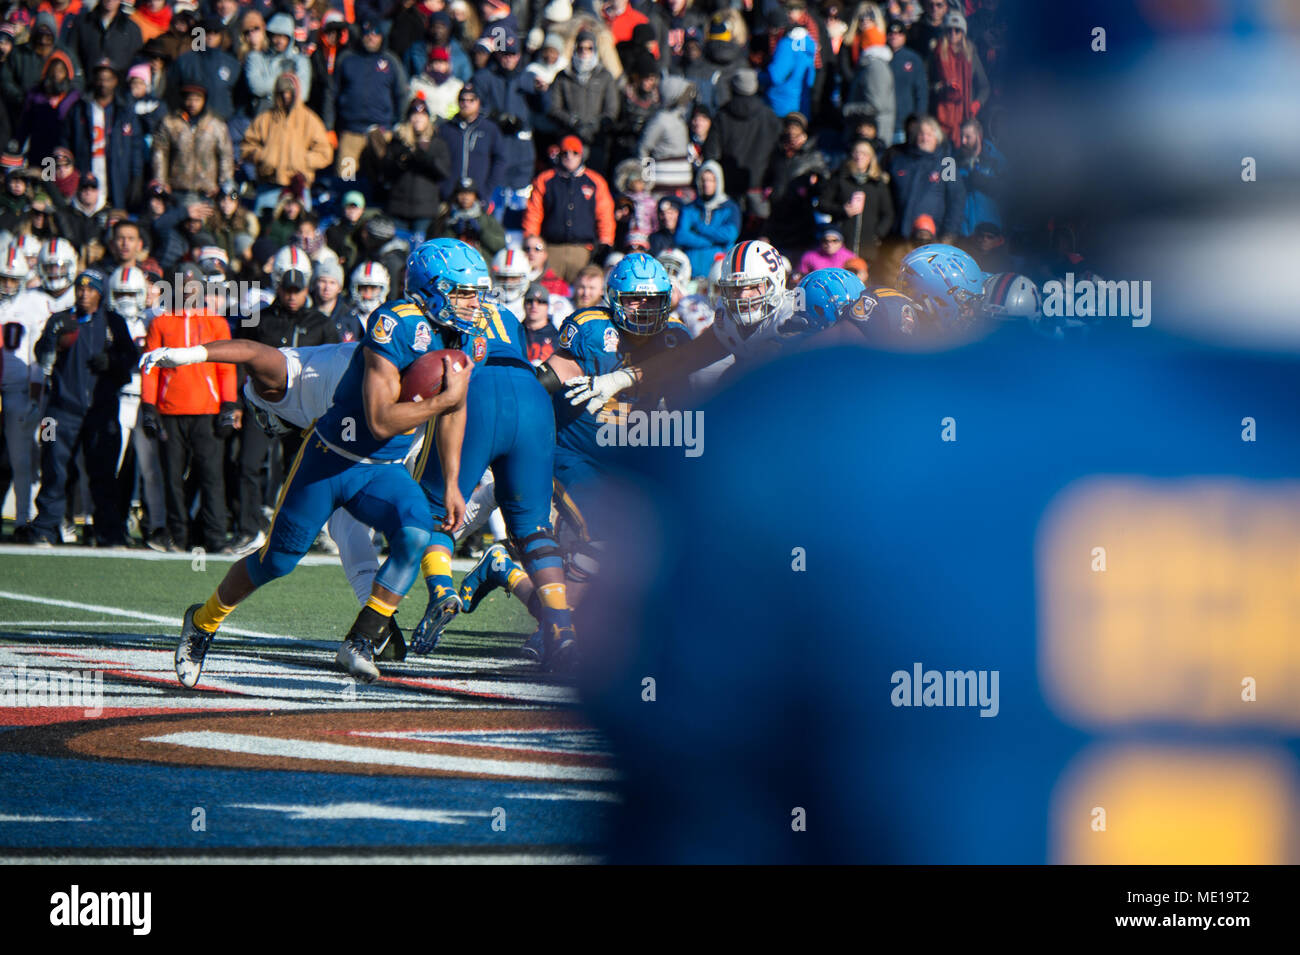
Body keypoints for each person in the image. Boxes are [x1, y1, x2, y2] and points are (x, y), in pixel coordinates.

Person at [165, 239, 476, 686]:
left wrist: (451, 482)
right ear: (431, 289)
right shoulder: (391, 325)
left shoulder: (463, 338)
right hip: (330, 462)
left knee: (414, 532)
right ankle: (203, 621)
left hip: (381, 470)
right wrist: (193, 354)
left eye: (473, 293)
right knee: (277, 562)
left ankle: (363, 639)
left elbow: (454, 410)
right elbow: (382, 419)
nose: (472, 303)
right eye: (463, 293)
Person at [404, 240, 577, 666]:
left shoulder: (431, 314)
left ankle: (443, 590)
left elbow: (430, 375)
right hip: (533, 397)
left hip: (476, 393)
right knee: (535, 528)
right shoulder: (503, 313)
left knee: (432, 511)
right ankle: (562, 627)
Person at [232, 245, 339, 553]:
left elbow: (333, 370)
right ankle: (249, 529)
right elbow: (240, 362)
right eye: (287, 288)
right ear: (277, 286)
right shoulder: (256, 319)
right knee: (248, 464)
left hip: (303, 409)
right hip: (261, 403)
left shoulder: (322, 323)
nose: (292, 295)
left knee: (304, 470)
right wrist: (238, 404)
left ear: (307, 288)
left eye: (298, 289)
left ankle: (300, 531)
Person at [21, 271, 137, 546]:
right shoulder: (62, 319)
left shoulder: (113, 322)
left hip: (101, 410)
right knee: (54, 470)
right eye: (80, 288)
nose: (84, 293)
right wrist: (51, 337)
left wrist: (112, 362)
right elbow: (42, 357)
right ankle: (47, 527)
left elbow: (130, 357)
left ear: (100, 293)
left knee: (103, 473)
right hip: (59, 410)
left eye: (91, 289)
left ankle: (107, 531)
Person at [139, 263, 236, 553]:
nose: (188, 290)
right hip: (170, 412)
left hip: (207, 411)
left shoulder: (216, 322)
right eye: (182, 285)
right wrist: (148, 406)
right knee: (172, 478)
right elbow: (151, 369)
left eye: (193, 285)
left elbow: (226, 367)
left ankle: (216, 537)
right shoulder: (160, 322)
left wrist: (229, 405)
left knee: (211, 477)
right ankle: (178, 537)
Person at [0, 242, 48, 532]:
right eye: (2, 278)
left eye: (12, 279)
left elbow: (37, 355)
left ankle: (22, 518)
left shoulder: (33, 303)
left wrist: (35, 394)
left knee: (20, 458)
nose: (6, 285)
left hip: (18, 389)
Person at [522, 136, 615, 285]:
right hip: (552, 249)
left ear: (581, 155)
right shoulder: (546, 179)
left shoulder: (595, 181)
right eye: (565, 153)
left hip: (583, 250)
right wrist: (531, 240)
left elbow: (605, 215)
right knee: (548, 290)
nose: (569, 157)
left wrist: (605, 242)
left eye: (574, 153)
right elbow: (533, 213)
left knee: (582, 293)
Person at [240, 72, 333, 216]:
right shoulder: (264, 119)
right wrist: (263, 156)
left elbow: (325, 153)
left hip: (299, 186)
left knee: (301, 229)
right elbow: (246, 147)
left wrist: (302, 160)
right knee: (264, 230)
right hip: (269, 184)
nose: (286, 96)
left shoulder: (310, 120)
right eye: (282, 92)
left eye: (290, 92)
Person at [152, 83, 234, 203]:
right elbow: (160, 152)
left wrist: (223, 185)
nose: (192, 104)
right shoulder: (170, 123)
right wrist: (161, 182)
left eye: (197, 100)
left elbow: (226, 155)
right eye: (189, 99)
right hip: (178, 188)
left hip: (207, 190)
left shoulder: (216, 125)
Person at [887, 115, 964, 241]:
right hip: (900, 236)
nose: (925, 138)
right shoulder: (899, 162)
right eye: (921, 134)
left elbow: (956, 199)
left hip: (932, 236)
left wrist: (950, 233)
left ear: (937, 138)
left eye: (929, 134)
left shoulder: (946, 163)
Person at [820, 138, 895, 260]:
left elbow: (888, 214)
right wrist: (842, 210)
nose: (859, 157)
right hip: (841, 246)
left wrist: (877, 234)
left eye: (864, 153)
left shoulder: (878, 184)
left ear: (871, 158)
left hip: (867, 247)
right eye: (856, 153)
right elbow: (823, 204)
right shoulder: (840, 179)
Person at [928, 10, 990, 144]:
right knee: (946, 161)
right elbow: (927, 84)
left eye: (957, 30)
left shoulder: (970, 53)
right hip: (942, 118)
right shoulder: (936, 53)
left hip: (966, 118)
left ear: (963, 32)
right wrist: (942, 87)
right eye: (949, 30)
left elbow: (984, 86)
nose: (953, 34)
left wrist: (976, 104)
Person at [675, 160, 739, 277]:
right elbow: (681, 236)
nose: (706, 184)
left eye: (711, 180)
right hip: (692, 273)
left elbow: (729, 235)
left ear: (718, 181)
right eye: (703, 180)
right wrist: (713, 241)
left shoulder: (729, 207)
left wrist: (700, 228)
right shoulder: (690, 208)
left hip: (718, 274)